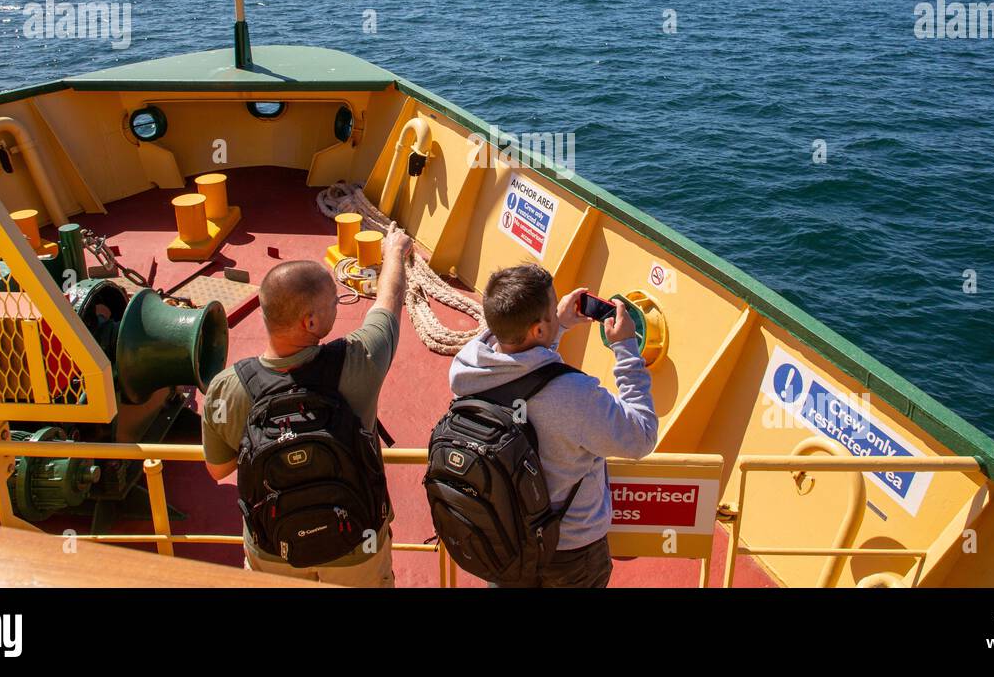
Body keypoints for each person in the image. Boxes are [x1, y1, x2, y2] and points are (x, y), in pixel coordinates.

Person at [200, 226, 412, 586]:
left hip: (274, 551)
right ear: (310, 322)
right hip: (357, 547)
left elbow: (219, 469)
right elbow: (388, 303)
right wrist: (394, 252)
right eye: (333, 301)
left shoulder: (227, 388)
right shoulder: (359, 359)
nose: (337, 305)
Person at [448, 263, 658, 587]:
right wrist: (626, 350)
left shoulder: (467, 373)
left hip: (503, 540)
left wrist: (555, 328)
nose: (557, 312)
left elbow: (521, 373)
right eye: (552, 309)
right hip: (569, 551)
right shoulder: (577, 395)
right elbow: (641, 436)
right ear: (537, 330)